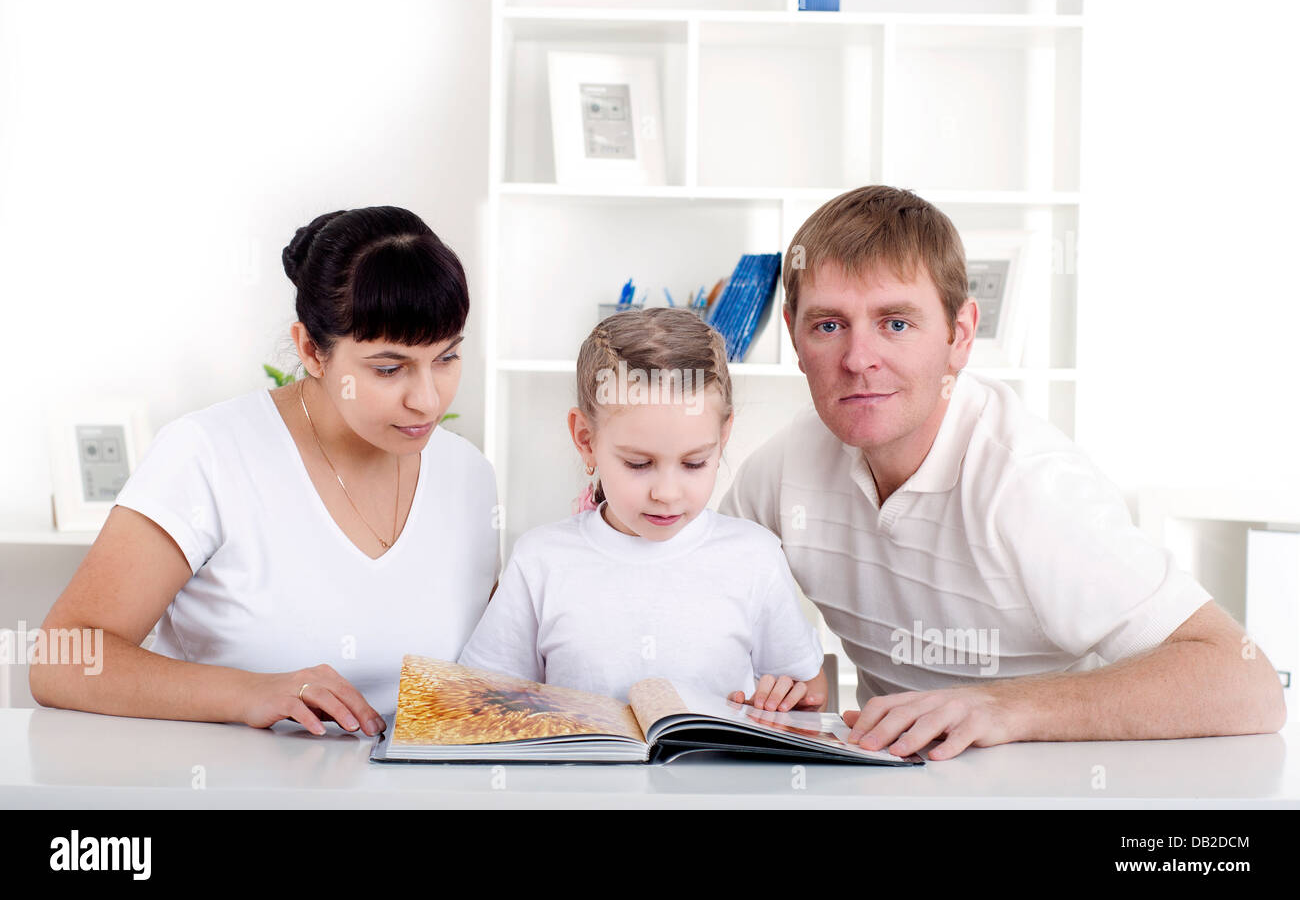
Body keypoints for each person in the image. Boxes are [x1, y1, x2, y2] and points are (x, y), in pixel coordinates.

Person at [720, 185, 1287, 760]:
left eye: (895, 323)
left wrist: (1000, 705)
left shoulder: (1030, 483)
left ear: (960, 335)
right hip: (887, 785)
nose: (858, 359)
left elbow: (1246, 684)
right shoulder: (788, 464)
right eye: (829, 325)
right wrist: (803, 672)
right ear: (793, 333)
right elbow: (702, 588)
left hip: (1048, 788)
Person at [30, 206, 499, 733]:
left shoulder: (468, 476)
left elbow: (490, 672)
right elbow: (61, 660)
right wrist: (250, 692)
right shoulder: (208, 454)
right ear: (311, 351)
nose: (427, 400)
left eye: (447, 358)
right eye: (389, 369)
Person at [459, 307, 827, 709]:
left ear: (723, 437)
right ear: (586, 439)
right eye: (639, 464)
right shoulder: (541, 560)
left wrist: (782, 700)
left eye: (694, 463)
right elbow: (481, 701)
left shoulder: (754, 557)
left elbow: (811, 695)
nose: (667, 493)